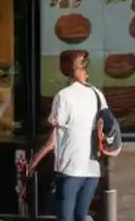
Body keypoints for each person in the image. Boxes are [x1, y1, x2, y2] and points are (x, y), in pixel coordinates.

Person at [28, 50, 111, 221]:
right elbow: (107, 124)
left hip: (70, 168)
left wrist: (35, 160)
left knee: (65, 217)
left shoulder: (64, 96)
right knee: (82, 215)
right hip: (92, 169)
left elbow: (53, 138)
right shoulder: (97, 95)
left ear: (66, 70)